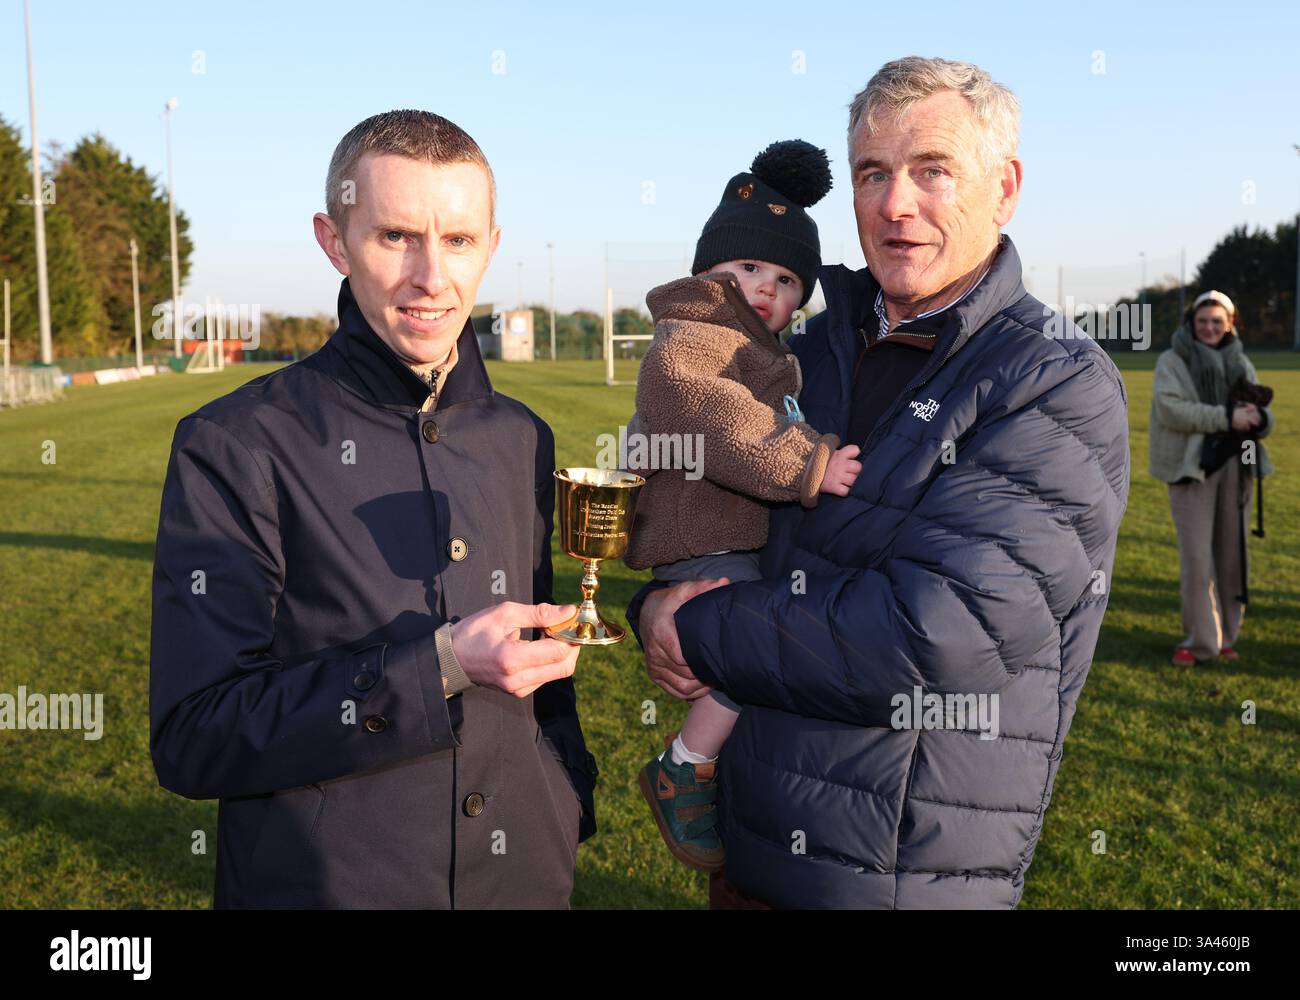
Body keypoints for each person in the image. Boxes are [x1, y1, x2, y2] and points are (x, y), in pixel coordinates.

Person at [628, 56, 1130, 909]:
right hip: (748, 857)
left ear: (1004, 188)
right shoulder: (803, 354)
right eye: (873, 173)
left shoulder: (1053, 381)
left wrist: (698, 626)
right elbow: (716, 515)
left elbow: (934, 635)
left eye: (933, 170)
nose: (896, 205)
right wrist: (656, 602)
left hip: (895, 879)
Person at [149, 110, 598, 909]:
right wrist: (439, 667)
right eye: (396, 236)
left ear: (492, 244)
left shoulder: (521, 438)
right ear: (334, 240)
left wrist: (566, 798)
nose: (432, 277)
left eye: (459, 240)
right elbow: (195, 737)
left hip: (523, 880)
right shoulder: (234, 444)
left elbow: (545, 677)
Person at [623, 139, 861, 872]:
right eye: (749, 268)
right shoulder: (693, 339)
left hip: (725, 533)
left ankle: (702, 759)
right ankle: (685, 763)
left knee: (753, 644)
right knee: (755, 644)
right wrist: (808, 461)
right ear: (708, 270)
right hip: (699, 533)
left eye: (788, 280)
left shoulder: (759, 345)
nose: (767, 289)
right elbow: (716, 419)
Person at [1148, 290, 1274, 664]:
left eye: (1218, 321)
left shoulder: (1240, 360)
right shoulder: (1173, 359)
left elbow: (1261, 415)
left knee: (1233, 557)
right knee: (1197, 560)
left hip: (1238, 467)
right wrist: (1226, 418)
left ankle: (1227, 637)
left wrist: (1261, 419)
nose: (1209, 327)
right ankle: (1202, 640)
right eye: (1203, 320)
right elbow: (1172, 411)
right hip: (1192, 470)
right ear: (1191, 322)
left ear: (1230, 324)